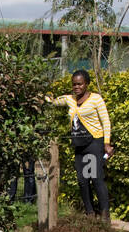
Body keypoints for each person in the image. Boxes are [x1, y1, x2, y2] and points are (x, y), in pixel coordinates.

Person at [48, 69, 113, 221]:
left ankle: (105, 215)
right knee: (82, 181)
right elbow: (53, 101)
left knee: (96, 178)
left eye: (80, 84)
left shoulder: (96, 99)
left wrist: (107, 144)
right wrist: (42, 96)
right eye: (74, 84)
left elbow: (106, 121)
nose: (76, 87)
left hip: (94, 142)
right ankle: (90, 213)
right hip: (79, 145)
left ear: (86, 84)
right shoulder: (70, 99)